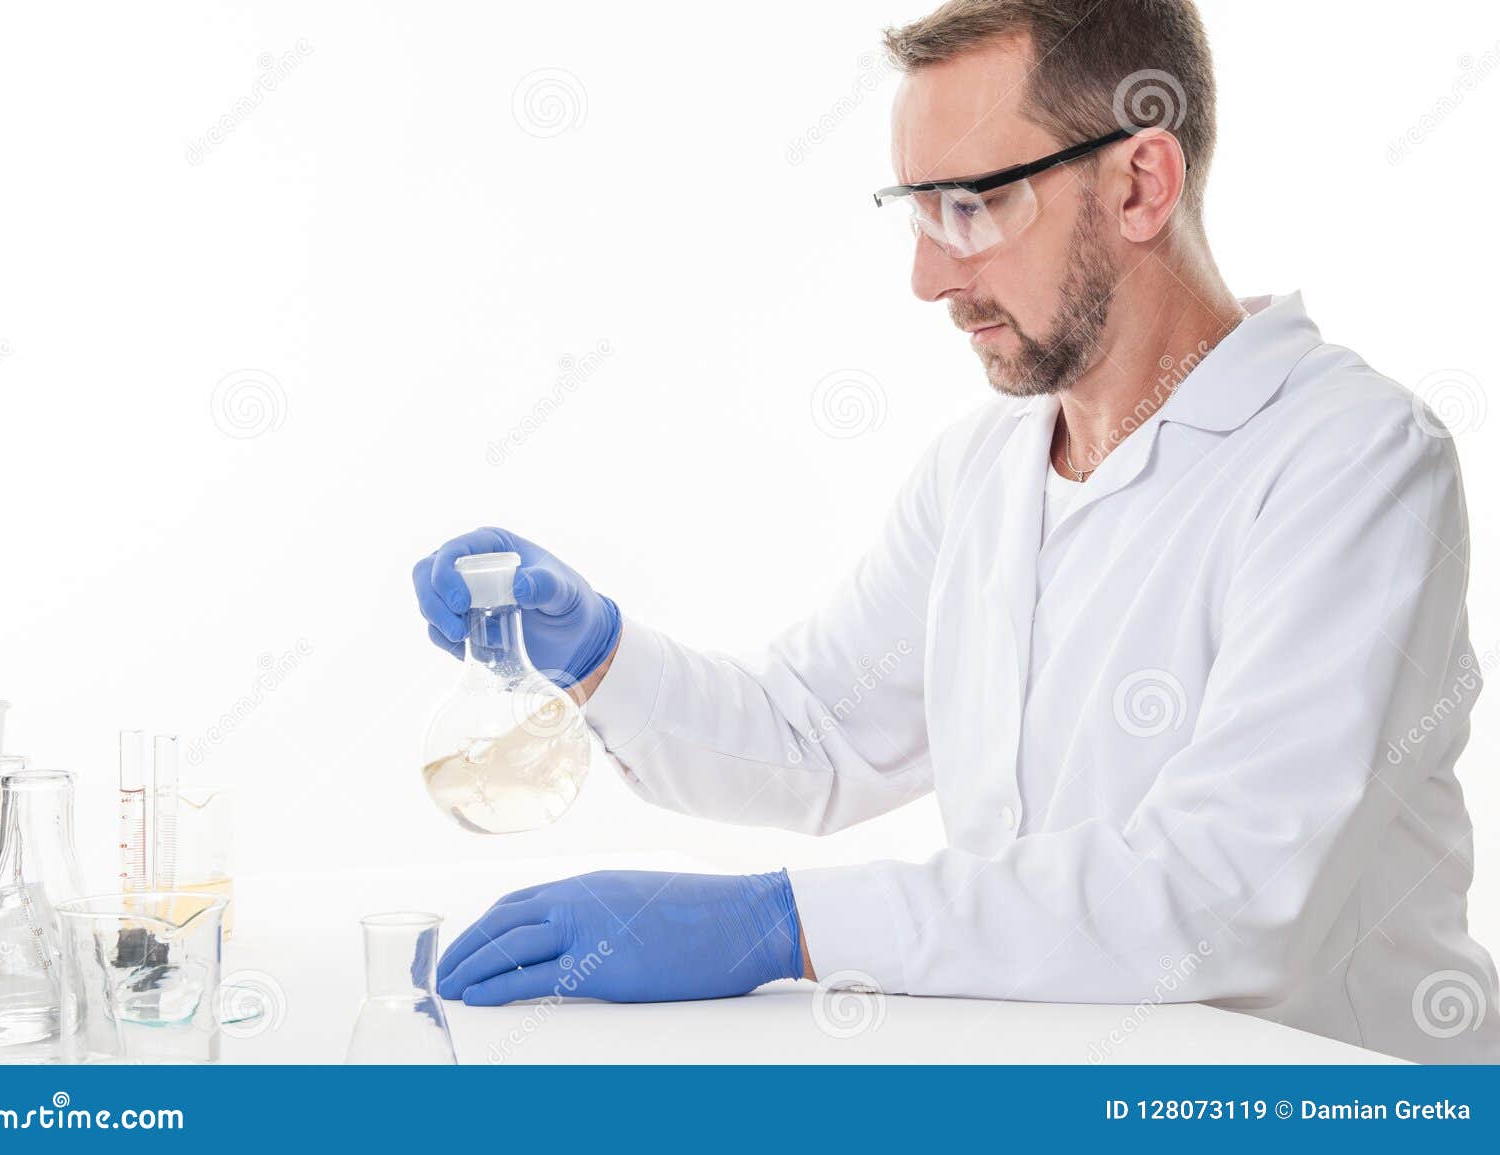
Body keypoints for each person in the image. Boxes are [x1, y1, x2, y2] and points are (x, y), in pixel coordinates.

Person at [411, 0, 1499, 1063]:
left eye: (969, 206)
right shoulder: (984, 470)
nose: (929, 276)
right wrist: (600, 656)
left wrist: (778, 924)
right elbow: (815, 738)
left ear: (1139, 183)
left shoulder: (1349, 461)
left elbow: (1219, 896)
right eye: (917, 212)